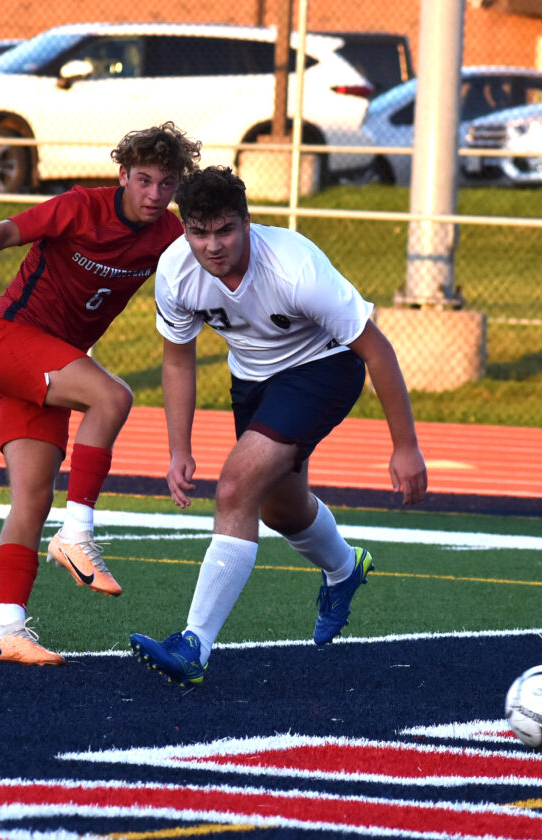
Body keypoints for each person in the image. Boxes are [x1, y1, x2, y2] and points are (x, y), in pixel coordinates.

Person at [0, 122, 201, 666]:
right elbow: (4, 230)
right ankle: (77, 534)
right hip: (9, 341)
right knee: (112, 397)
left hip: (47, 365)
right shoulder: (80, 207)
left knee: (31, 499)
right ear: (122, 175)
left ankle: (5, 630)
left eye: (166, 184)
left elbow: (211, 261)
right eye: (144, 180)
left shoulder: (170, 236)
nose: (155, 194)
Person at [130, 166, 427, 687]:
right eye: (199, 232)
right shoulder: (175, 270)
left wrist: (406, 447)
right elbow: (178, 359)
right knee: (280, 510)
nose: (213, 245)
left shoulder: (295, 268)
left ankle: (194, 644)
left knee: (235, 486)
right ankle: (343, 567)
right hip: (251, 380)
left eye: (224, 230)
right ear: (184, 230)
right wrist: (179, 448)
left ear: (247, 223)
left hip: (323, 369)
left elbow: (377, 350)